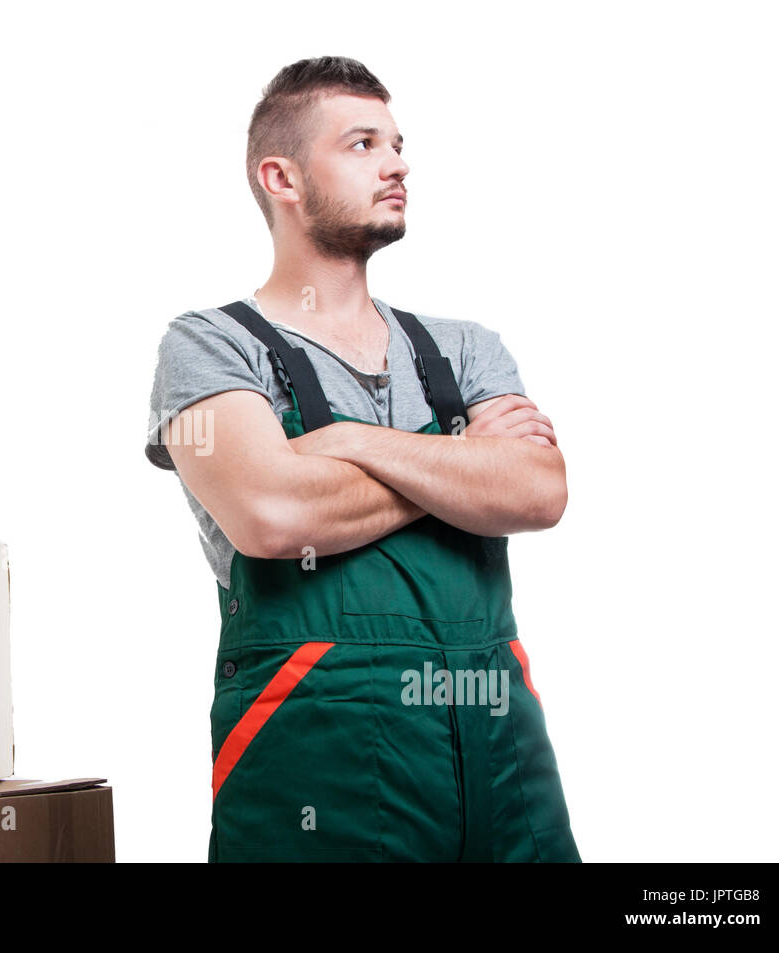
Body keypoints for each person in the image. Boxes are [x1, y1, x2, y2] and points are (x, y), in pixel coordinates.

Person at [144, 56, 581, 862]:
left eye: (399, 143)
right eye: (363, 143)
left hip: (501, 752)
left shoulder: (461, 347)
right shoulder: (212, 344)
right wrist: (462, 459)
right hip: (316, 763)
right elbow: (273, 514)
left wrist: (342, 444)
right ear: (282, 176)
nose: (398, 163)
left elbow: (539, 490)